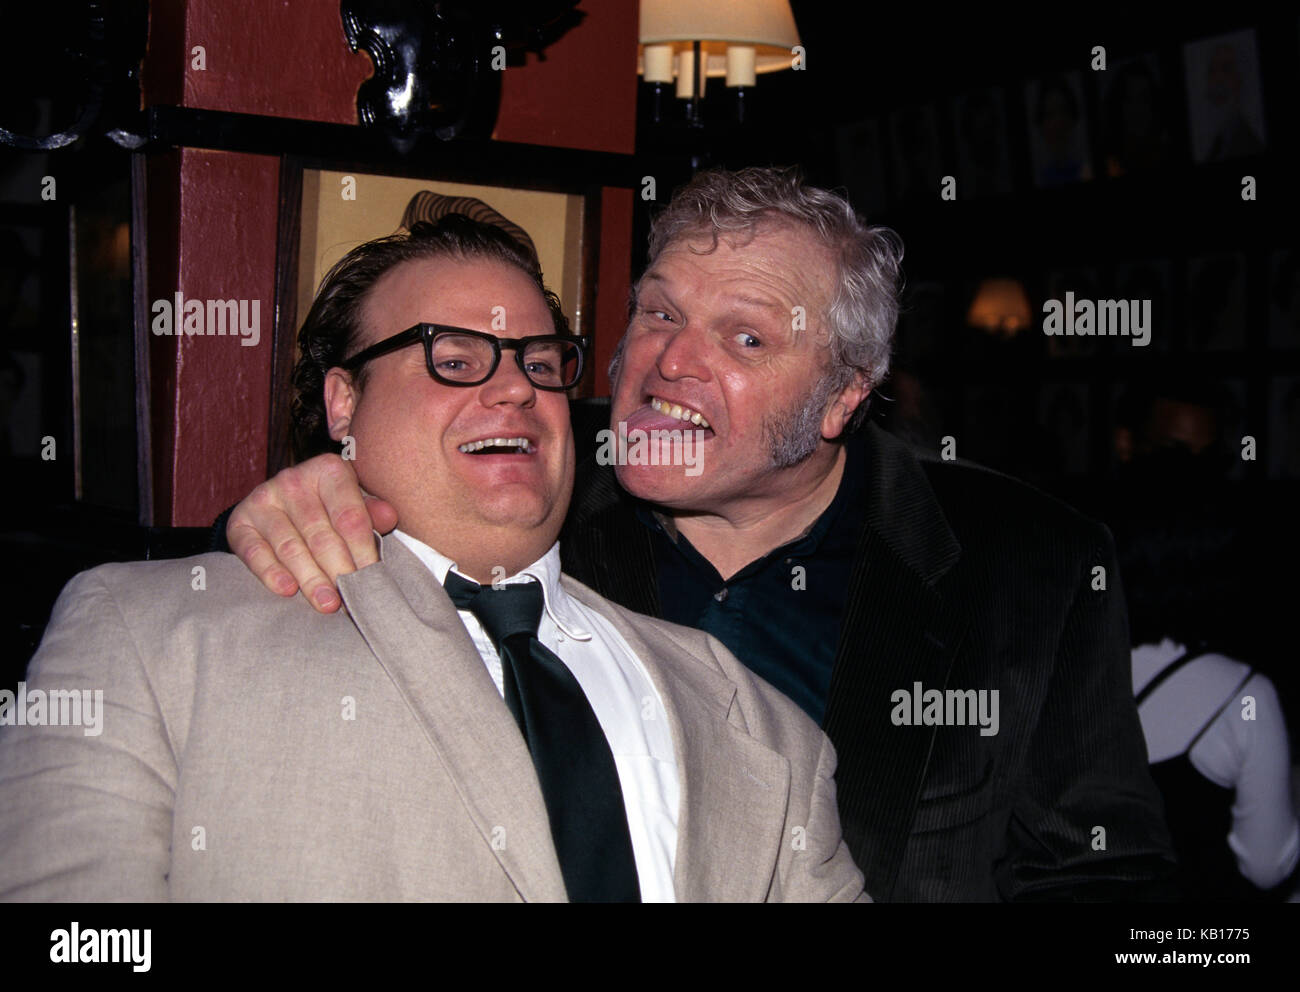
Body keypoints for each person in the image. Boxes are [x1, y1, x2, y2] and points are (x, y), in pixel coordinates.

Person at [222, 167, 1176, 901]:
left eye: (746, 338)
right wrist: (312, 495)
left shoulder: (1029, 565)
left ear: (843, 396)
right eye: (660, 311)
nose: (671, 361)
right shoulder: (529, 497)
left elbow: (1104, 879)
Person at [0, 216, 865, 903]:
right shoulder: (148, 637)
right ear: (344, 401)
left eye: (539, 361)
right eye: (452, 359)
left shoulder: (762, 726)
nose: (516, 386)